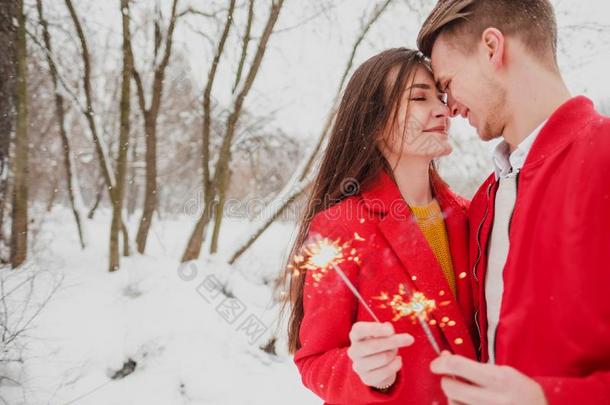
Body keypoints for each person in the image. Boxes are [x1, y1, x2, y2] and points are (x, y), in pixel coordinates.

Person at [416, 1, 610, 404]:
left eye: (448, 82)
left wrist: (548, 398)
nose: (448, 106)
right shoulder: (485, 201)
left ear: (492, 48)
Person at [280, 48, 478, 404]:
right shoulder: (340, 227)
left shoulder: (472, 216)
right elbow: (314, 360)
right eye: (419, 97)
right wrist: (367, 375)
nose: (443, 110)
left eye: (441, 97)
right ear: (373, 122)